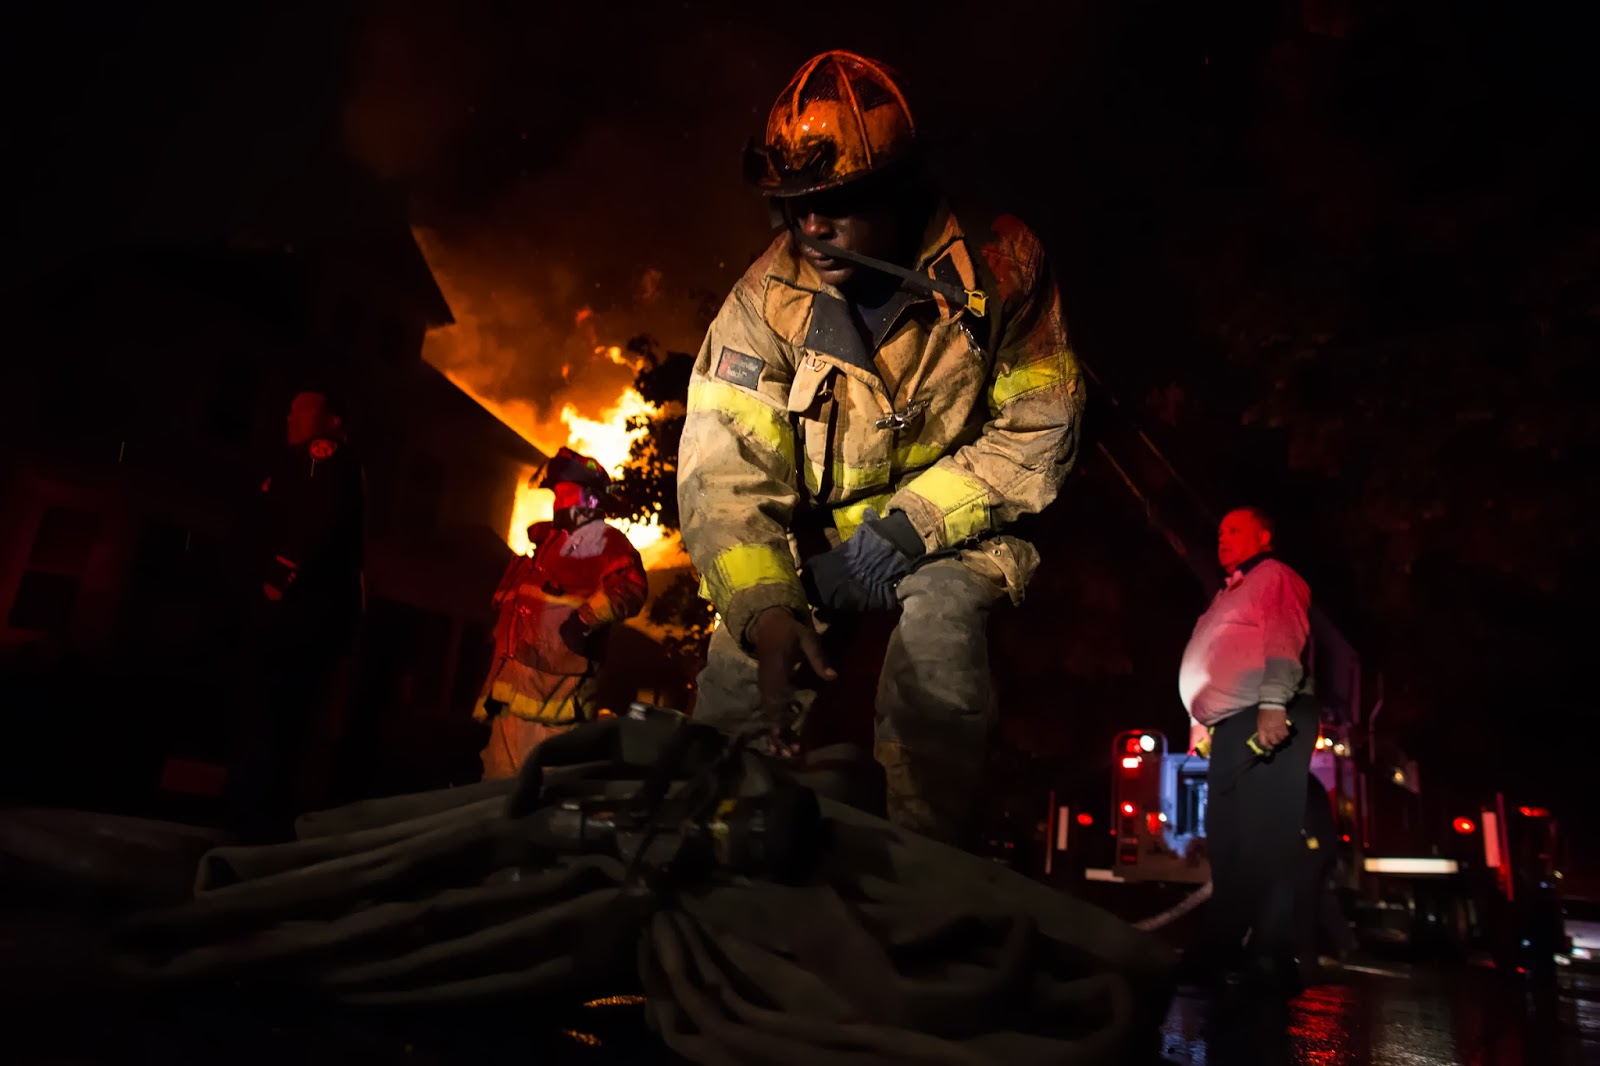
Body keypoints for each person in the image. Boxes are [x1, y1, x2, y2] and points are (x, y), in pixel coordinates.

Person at [677, 50, 1084, 848]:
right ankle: (712, 850)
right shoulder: (764, 307)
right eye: (794, 206)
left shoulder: (1001, 271)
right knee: (742, 668)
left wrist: (905, 533)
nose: (812, 227)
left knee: (941, 639)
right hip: (818, 540)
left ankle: (927, 866)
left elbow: (1040, 429)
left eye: (835, 202)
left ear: (897, 188)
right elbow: (724, 476)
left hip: (955, 524)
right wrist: (766, 611)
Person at [1179, 506, 1314, 995]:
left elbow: (1284, 636)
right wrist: (1200, 723)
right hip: (1232, 723)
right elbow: (1211, 658)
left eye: (1235, 529)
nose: (1223, 538)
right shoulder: (1228, 592)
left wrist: (1275, 703)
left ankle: (1264, 953)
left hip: (1269, 713)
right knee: (1228, 841)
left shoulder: (1273, 576)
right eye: (1219, 531)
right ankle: (1239, 950)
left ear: (1265, 533)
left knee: (1266, 840)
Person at [227, 388, 365, 842]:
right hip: (291, 614)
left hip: (297, 615)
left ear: (332, 423)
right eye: (290, 408)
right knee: (268, 720)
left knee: (276, 719)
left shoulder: (321, 457)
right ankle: (256, 818)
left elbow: (316, 517)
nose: (291, 416)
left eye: (304, 410)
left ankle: (257, 827)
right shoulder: (293, 460)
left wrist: (281, 576)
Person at [474, 447, 648, 779]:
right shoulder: (546, 546)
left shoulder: (599, 540)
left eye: (564, 494)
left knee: (535, 802)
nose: (557, 502)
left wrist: (584, 620)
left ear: (590, 499)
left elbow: (630, 585)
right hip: (510, 704)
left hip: (556, 707)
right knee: (495, 801)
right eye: (556, 494)